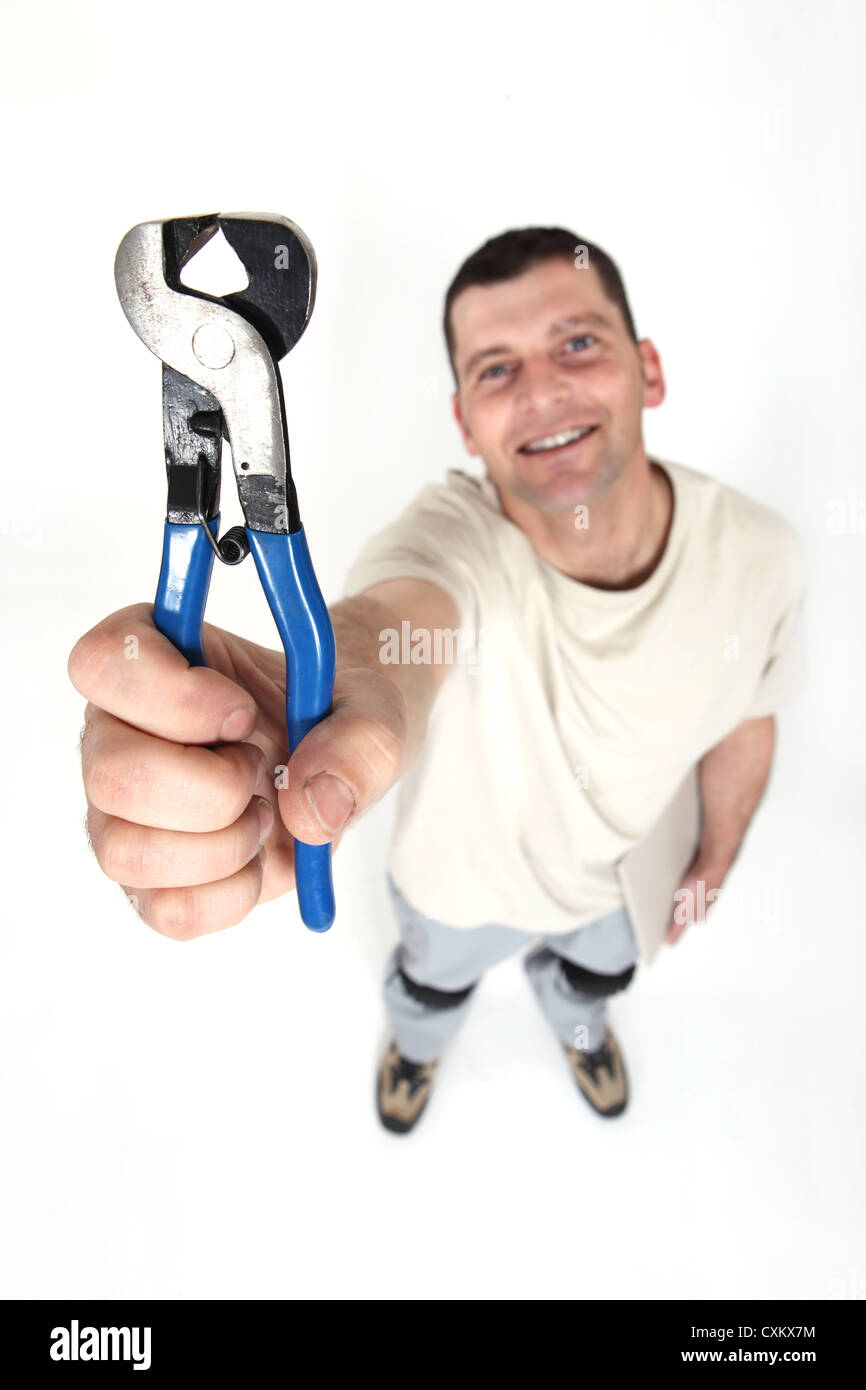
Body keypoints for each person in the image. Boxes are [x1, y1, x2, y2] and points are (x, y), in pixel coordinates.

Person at [68, 226, 808, 1137]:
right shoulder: (449, 541)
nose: (541, 391)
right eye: (495, 369)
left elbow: (750, 717)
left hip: (623, 893)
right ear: (464, 422)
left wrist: (718, 852)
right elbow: (390, 624)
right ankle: (417, 1051)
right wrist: (337, 687)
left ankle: (578, 1030)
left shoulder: (766, 558)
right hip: (454, 899)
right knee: (429, 989)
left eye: (578, 343)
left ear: (648, 369)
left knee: (589, 985)